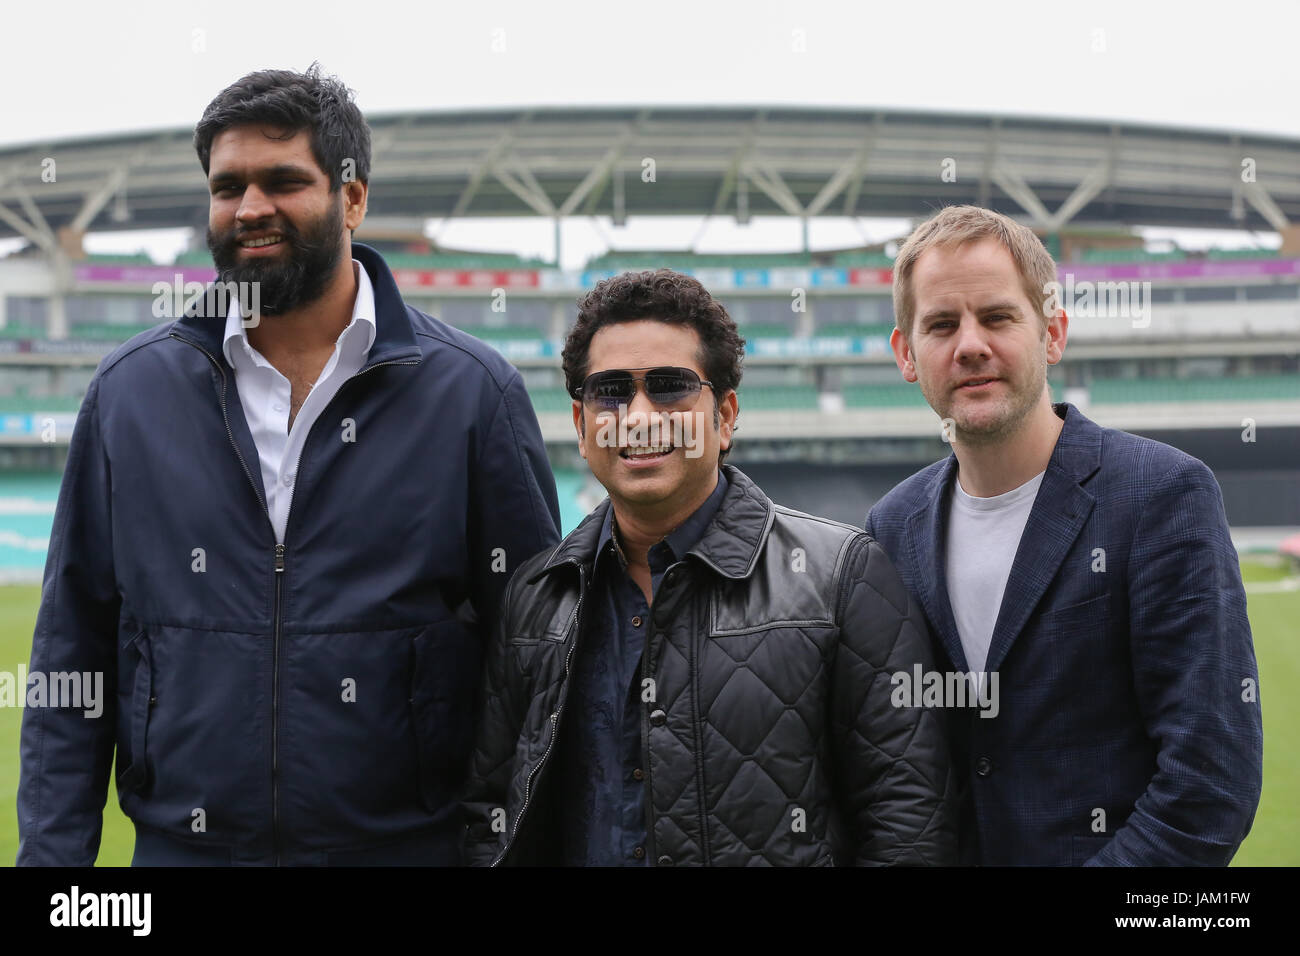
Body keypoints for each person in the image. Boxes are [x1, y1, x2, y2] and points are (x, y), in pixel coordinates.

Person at [17, 65, 560, 866]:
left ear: (352, 198)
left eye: (282, 181)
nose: (251, 208)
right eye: (227, 185)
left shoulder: (472, 394)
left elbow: (533, 663)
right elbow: (72, 652)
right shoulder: (129, 393)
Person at [463, 269, 954, 866]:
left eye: (669, 386)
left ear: (724, 418)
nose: (638, 415)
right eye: (611, 390)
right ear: (580, 424)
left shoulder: (842, 579)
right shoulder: (537, 596)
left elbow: (907, 825)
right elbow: (490, 814)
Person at [866, 204, 1263, 865]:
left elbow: (1209, 784)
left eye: (997, 317)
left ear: (1052, 334)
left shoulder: (1162, 496)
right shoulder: (890, 527)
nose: (970, 345)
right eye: (941, 325)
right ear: (907, 354)